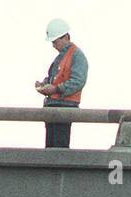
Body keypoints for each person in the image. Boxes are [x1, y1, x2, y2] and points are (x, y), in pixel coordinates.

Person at [35, 18, 87, 149]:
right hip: (53, 106)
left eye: (55, 42)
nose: (53, 45)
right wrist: (44, 84)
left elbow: (78, 81)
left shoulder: (77, 56)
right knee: (51, 148)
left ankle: (59, 169)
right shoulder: (61, 57)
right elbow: (55, 78)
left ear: (66, 37)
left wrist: (55, 89)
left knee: (59, 148)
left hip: (64, 106)